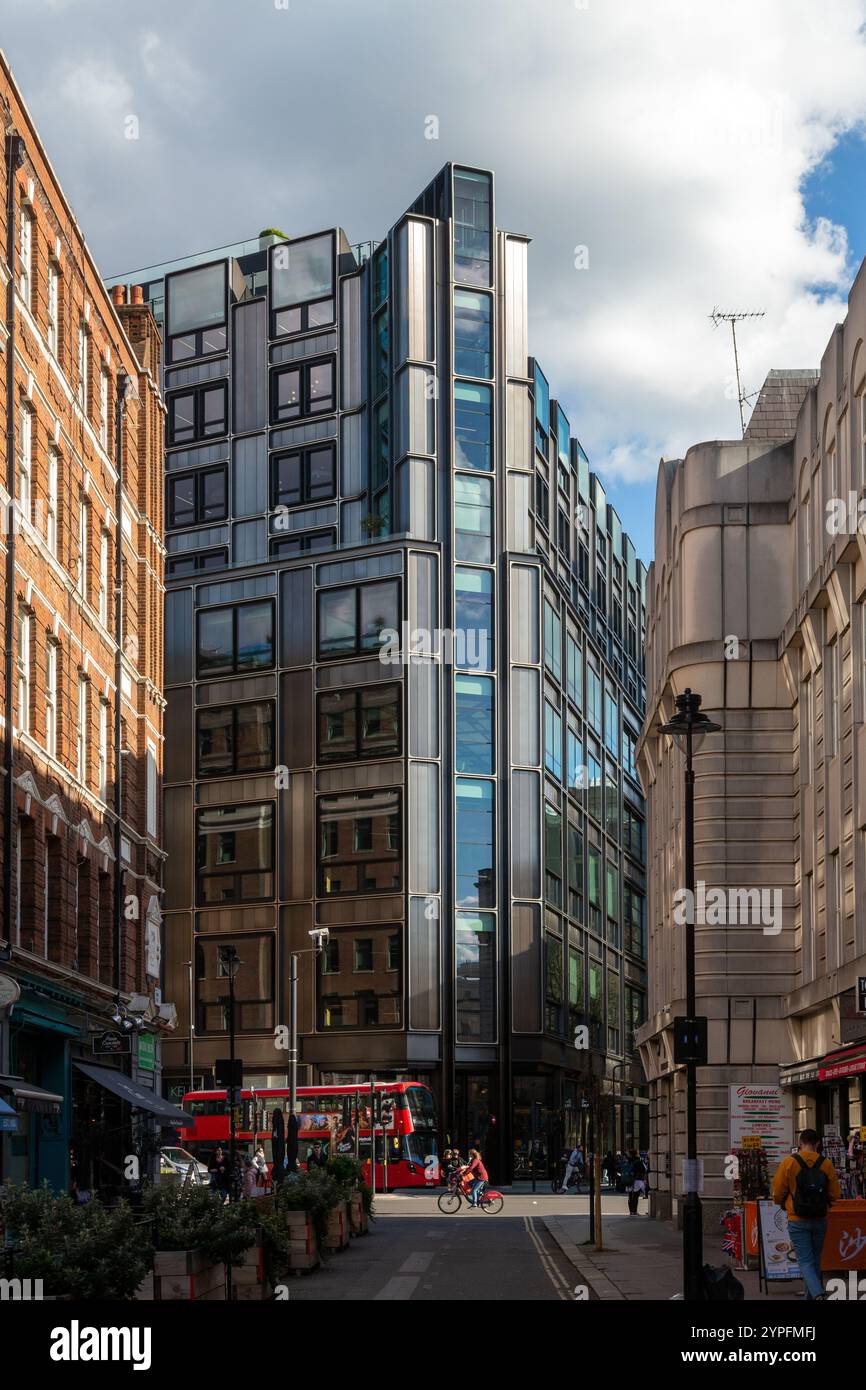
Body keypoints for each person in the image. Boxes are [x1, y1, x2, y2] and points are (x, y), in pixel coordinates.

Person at [772, 1128, 841, 1301]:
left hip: (797, 1219)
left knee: (804, 1261)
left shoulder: (789, 1162)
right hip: (820, 1218)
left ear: (800, 1142)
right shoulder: (826, 1164)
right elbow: (834, 1194)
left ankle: (817, 1294)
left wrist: (783, 1203)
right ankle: (811, 1297)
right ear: (818, 1143)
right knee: (815, 1260)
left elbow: (778, 1191)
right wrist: (826, 1205)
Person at [625, 1149, 647, 1215]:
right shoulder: (638, 1161)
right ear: (635, 1154)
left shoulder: (628, 1161)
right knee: (635, 1196)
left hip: (629, 1180)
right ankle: (634, 1211)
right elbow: (644, 1170)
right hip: (637, 1180)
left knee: (630, 1196)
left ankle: (631, 1211)